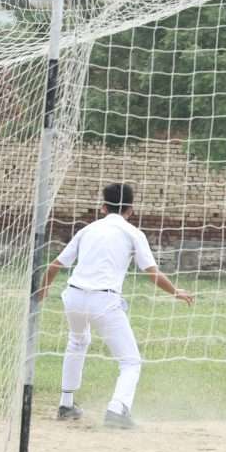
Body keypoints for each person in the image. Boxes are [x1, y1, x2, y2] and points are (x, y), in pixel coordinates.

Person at [38, 183, 194, 429]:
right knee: (131, 361)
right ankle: (117, 410)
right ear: (130, 210)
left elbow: (55, 265)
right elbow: (152, 274)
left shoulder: (87, 230)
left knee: (77, 341)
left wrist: (43, 289)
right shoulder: (133, 233)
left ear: (102, 207)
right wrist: (175, 291)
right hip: (104, 300)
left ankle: (66, 404)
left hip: (74, 296)